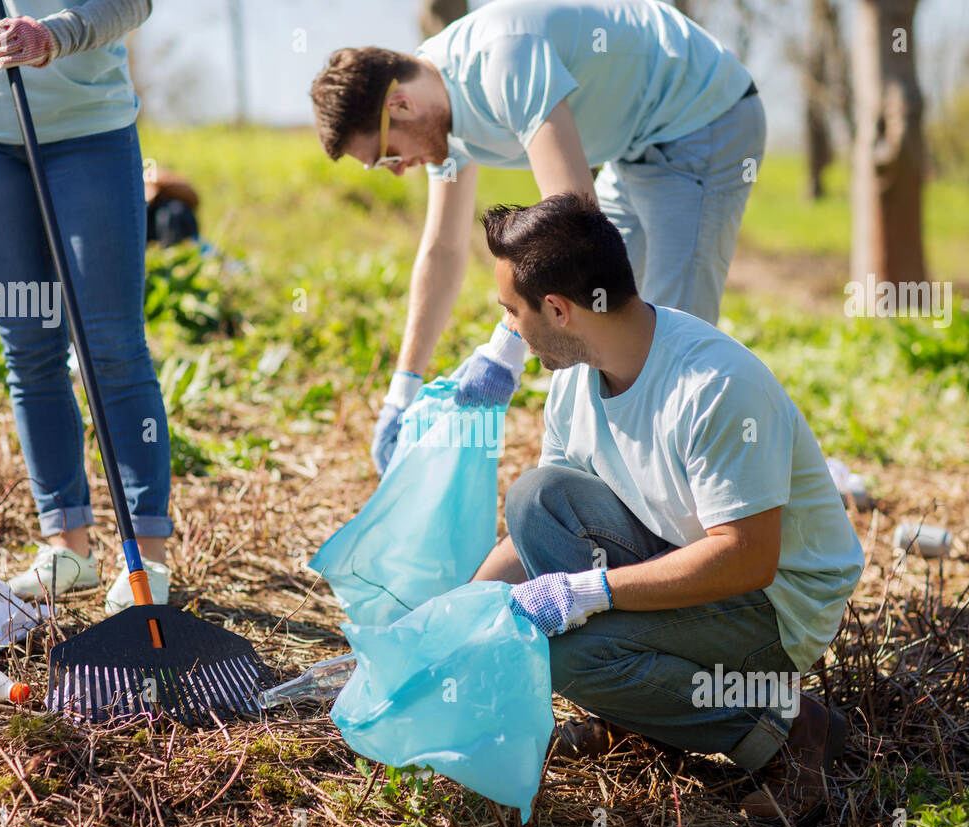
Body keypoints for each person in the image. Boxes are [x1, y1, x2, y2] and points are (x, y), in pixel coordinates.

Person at [471, 194, 864, 823]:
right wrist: (463, 614)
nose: (510, 329)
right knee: (536, 498)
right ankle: (645, 711)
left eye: (512, 311)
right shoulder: (579, 371)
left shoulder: (712, 387)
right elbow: (537, 534)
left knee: (564, 654)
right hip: (686, 558)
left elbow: (749, 558)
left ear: (558, 309)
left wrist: (589, 592)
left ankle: (788, 728)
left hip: (774, 607)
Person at [309, 0, 766, 474]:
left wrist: (502, 356)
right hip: (633, 146)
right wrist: (402, 391)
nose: (398, 171)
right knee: (595, 317)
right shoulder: (434, 113)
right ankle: (615, 484)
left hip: (704, 116)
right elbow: (442, 251)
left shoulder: (504, 58)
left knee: (667, 342)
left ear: (399, 105)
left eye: (387, 156)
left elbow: (574, 227)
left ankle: (766, 477)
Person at [0, 1, 171, 611]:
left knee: (111, 345)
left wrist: (51, 36)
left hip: (88, 130)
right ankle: (68, 549)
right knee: (29, 344)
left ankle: (147, 559)